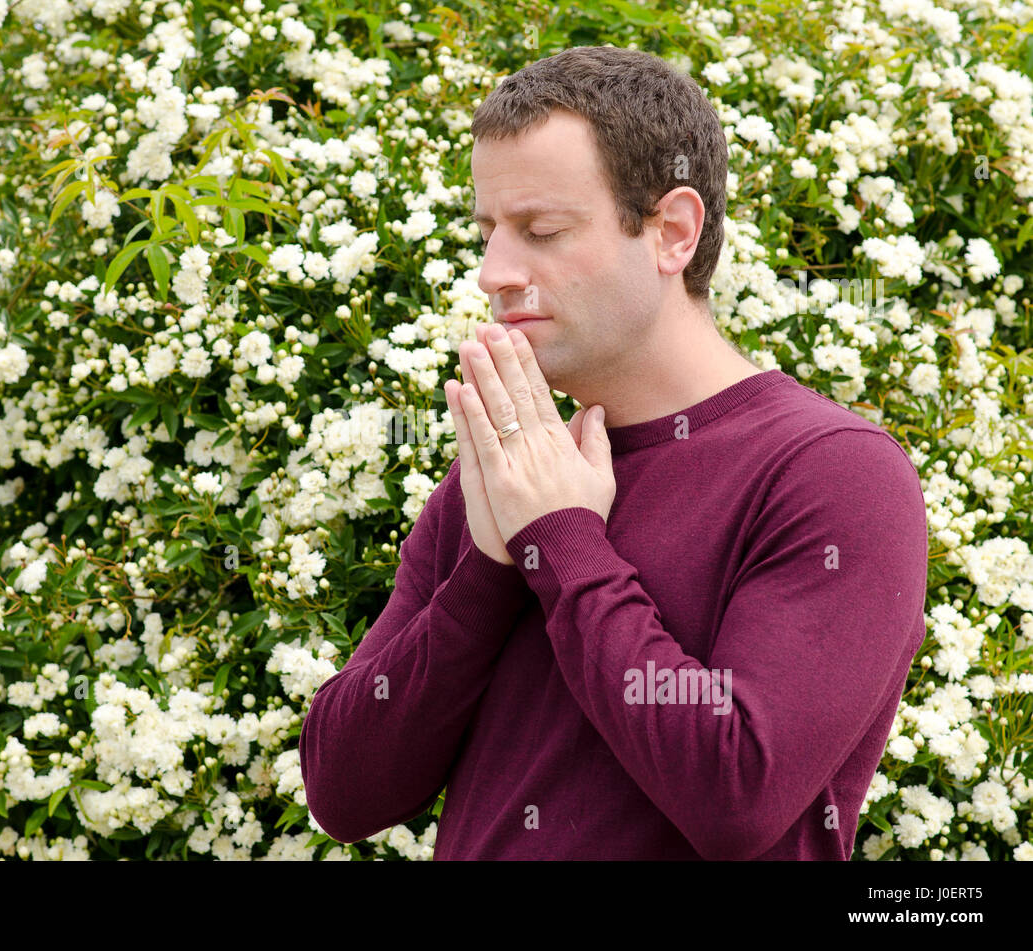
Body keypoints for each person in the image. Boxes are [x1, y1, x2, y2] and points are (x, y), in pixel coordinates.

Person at [298, 45, 928, 860]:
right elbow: (345, 790)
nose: (494, 272)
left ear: (671, 232)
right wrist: (490, 567)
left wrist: (561, 543)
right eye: (488, 232)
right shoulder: (508, 469)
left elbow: (737, 793)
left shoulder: (833, 473)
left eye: (542, 230)